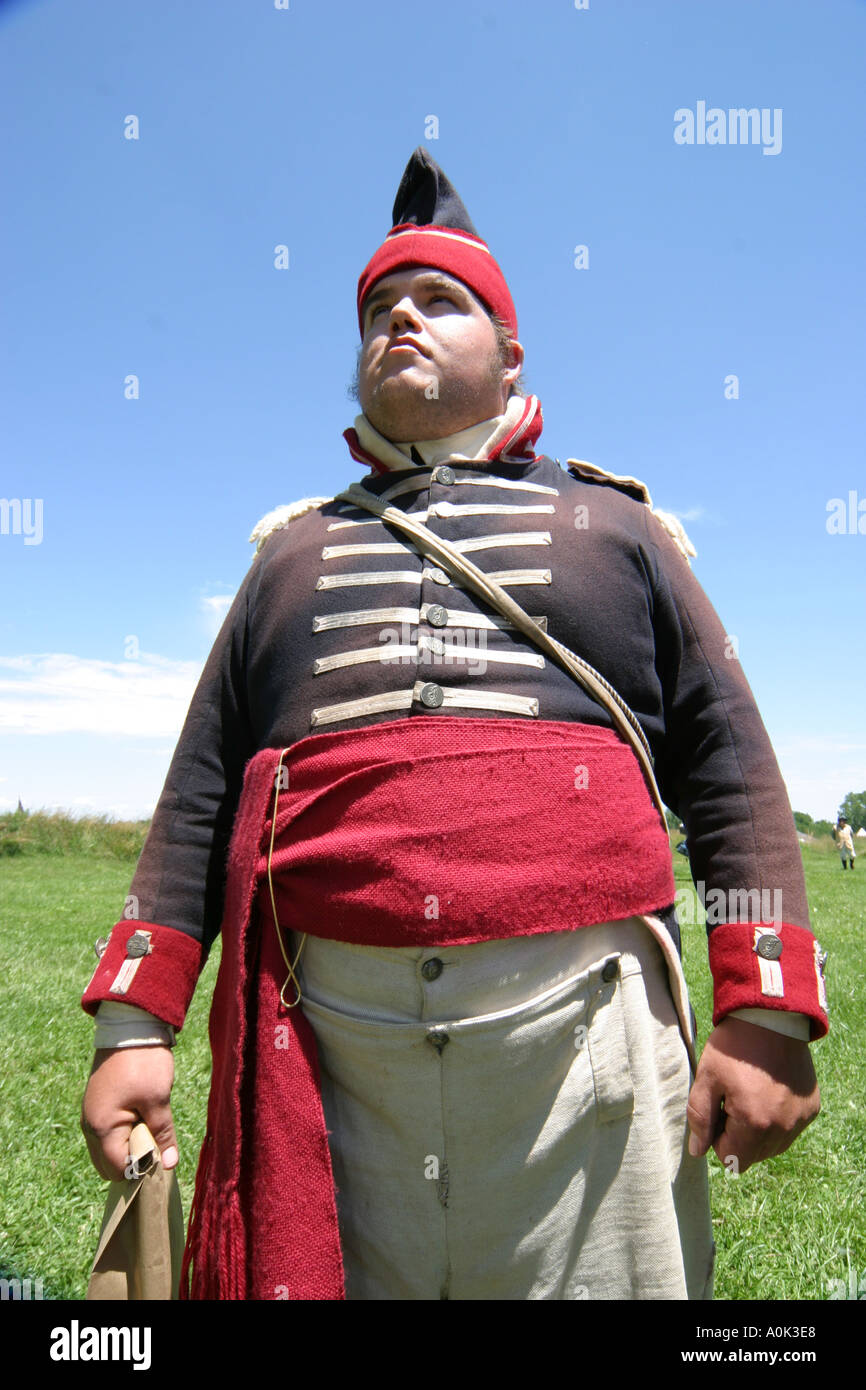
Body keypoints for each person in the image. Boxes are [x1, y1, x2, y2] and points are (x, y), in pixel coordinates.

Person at [80, 148, 828, 1301]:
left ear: (510, 353)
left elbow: (725, 764)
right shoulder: (288, 553)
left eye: (439, 300)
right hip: (326, 1042)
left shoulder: (615, 527)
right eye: (379, 306)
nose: (401, 319)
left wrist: (764, 1002)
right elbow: (198, 798)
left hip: (588, 1032)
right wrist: (133, 1023)